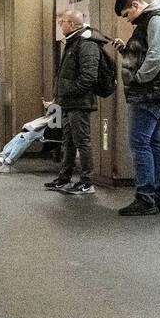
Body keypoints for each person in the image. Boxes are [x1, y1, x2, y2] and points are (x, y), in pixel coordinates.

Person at [112, 0, 160, 215]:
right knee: (154, 144)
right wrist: (125, 50)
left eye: (127, 14)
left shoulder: (156, 20)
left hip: (148, 92)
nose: (128, 19)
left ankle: (146, 198)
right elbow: (146, 53)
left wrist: (139, 79)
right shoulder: (151, 20)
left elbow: (158, 55)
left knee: (139, 144)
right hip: (153, 92)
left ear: (136, 4)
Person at [44, 10, 100, 195]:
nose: (61, 25)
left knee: (82, 141)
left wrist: (69, 92)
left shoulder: (86, 44)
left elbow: (89, 76)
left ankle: (87, 181)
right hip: (68, 102)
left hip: (79, 102)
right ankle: (64, 178)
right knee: (68, 141)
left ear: (74, 24)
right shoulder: (72, 42)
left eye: (63, 21)